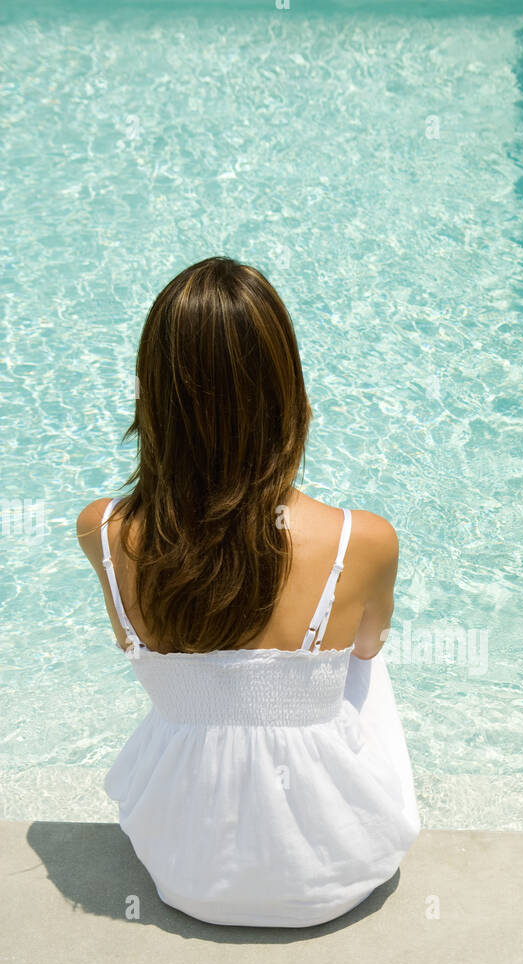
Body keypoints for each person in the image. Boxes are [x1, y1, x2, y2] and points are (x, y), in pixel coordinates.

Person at [77, 256, 419, 927]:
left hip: (184, 871)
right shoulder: (362, 539)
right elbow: (368, 652)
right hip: (339, 875)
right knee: (358, 663)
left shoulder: (105, 531)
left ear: (150, 395)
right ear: (289, 395)